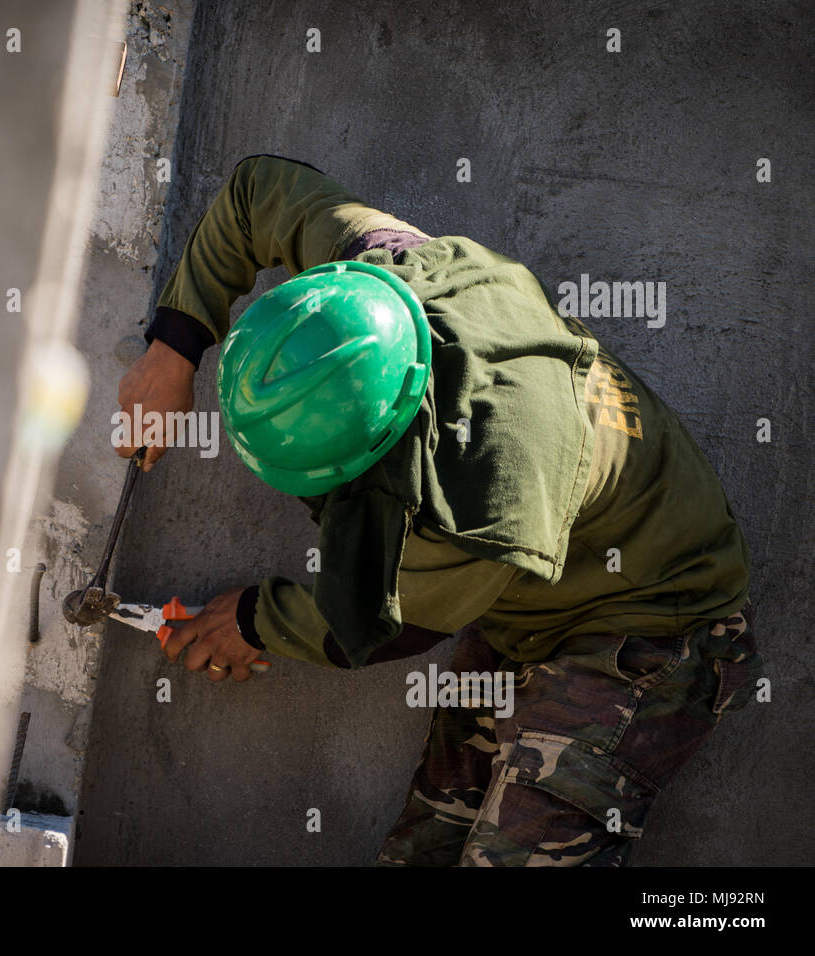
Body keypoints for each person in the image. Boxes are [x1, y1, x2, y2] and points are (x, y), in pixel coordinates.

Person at [113, 154, 763, 866]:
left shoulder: (485, 496)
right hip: (528, 609)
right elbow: (256, 195)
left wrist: (249, 622)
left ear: (385, 447)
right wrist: (174, 348)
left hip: (657, 634)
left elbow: (376, 622)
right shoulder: (388, 278)